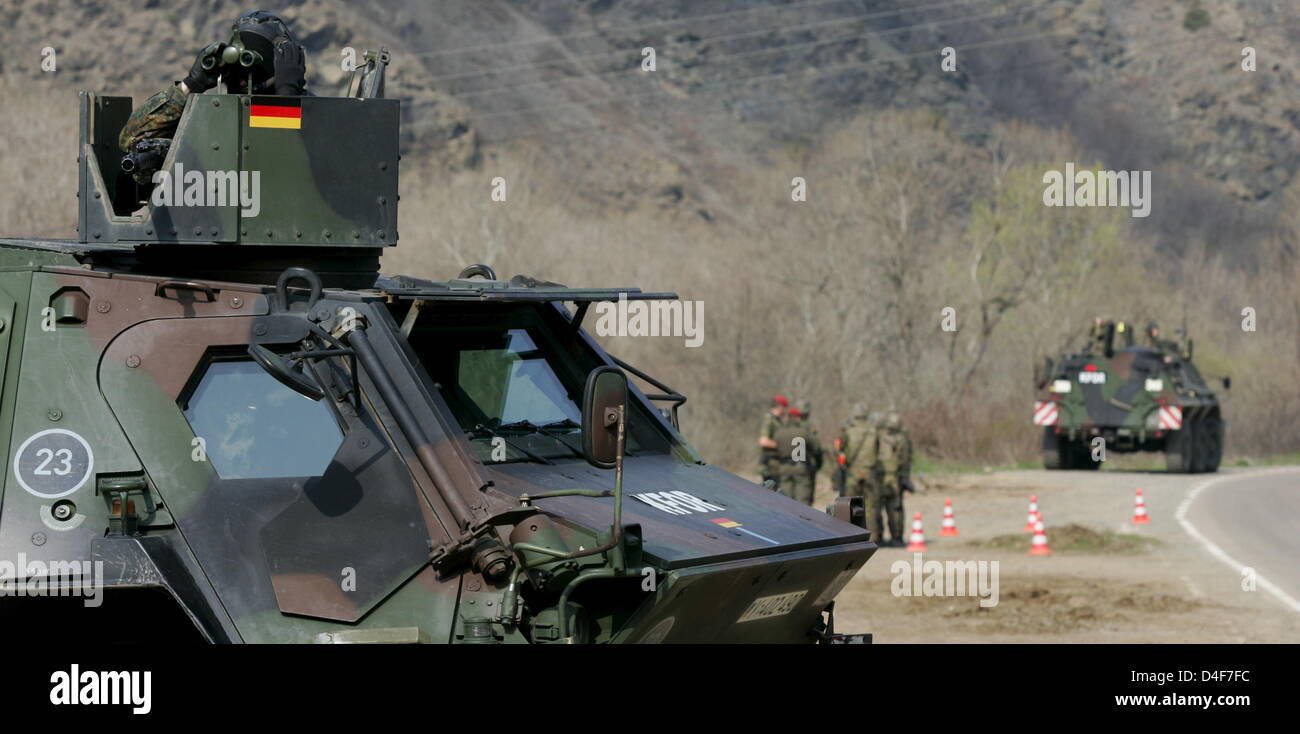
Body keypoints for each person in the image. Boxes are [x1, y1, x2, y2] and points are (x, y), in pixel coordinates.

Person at [118, 11, 308, 168]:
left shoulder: (313, 114)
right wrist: (190, 85)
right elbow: (130, 139)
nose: (242, 75)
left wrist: (287, 94)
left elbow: (281, 155)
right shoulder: (212, 117)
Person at [839, 402, 883, 535]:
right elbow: (877, 449)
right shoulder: (874, 431)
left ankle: (850, 534)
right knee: (871, 505)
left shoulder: (848, 431)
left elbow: (841, 451)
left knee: (850, 505)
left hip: (853, 472)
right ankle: (873, 535)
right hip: (870, 471)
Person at [875, 411, 913, 546]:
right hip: (894, 477)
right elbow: (906, 460)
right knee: (895, 508)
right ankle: (896, 538)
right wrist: (905, 477)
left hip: (880, 477)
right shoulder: (903, 439)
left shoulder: (877, 435)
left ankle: (878, 537)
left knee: (877, 507)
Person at [773, 401, 820, 505]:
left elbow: (775, 446)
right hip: (800, 467)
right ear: (797, 418)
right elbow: (815, 448)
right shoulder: (803, 432)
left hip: (784, 467)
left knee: (785, 500)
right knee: (802, 501)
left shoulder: (780, 432)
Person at [757, 394, 788, 490]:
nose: (785, 410)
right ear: (779, 406)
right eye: (784, 407)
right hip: (769, 465)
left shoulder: (778, 421)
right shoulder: (769, 420)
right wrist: (781, 446)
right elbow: (763, 441)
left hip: (776, 466)